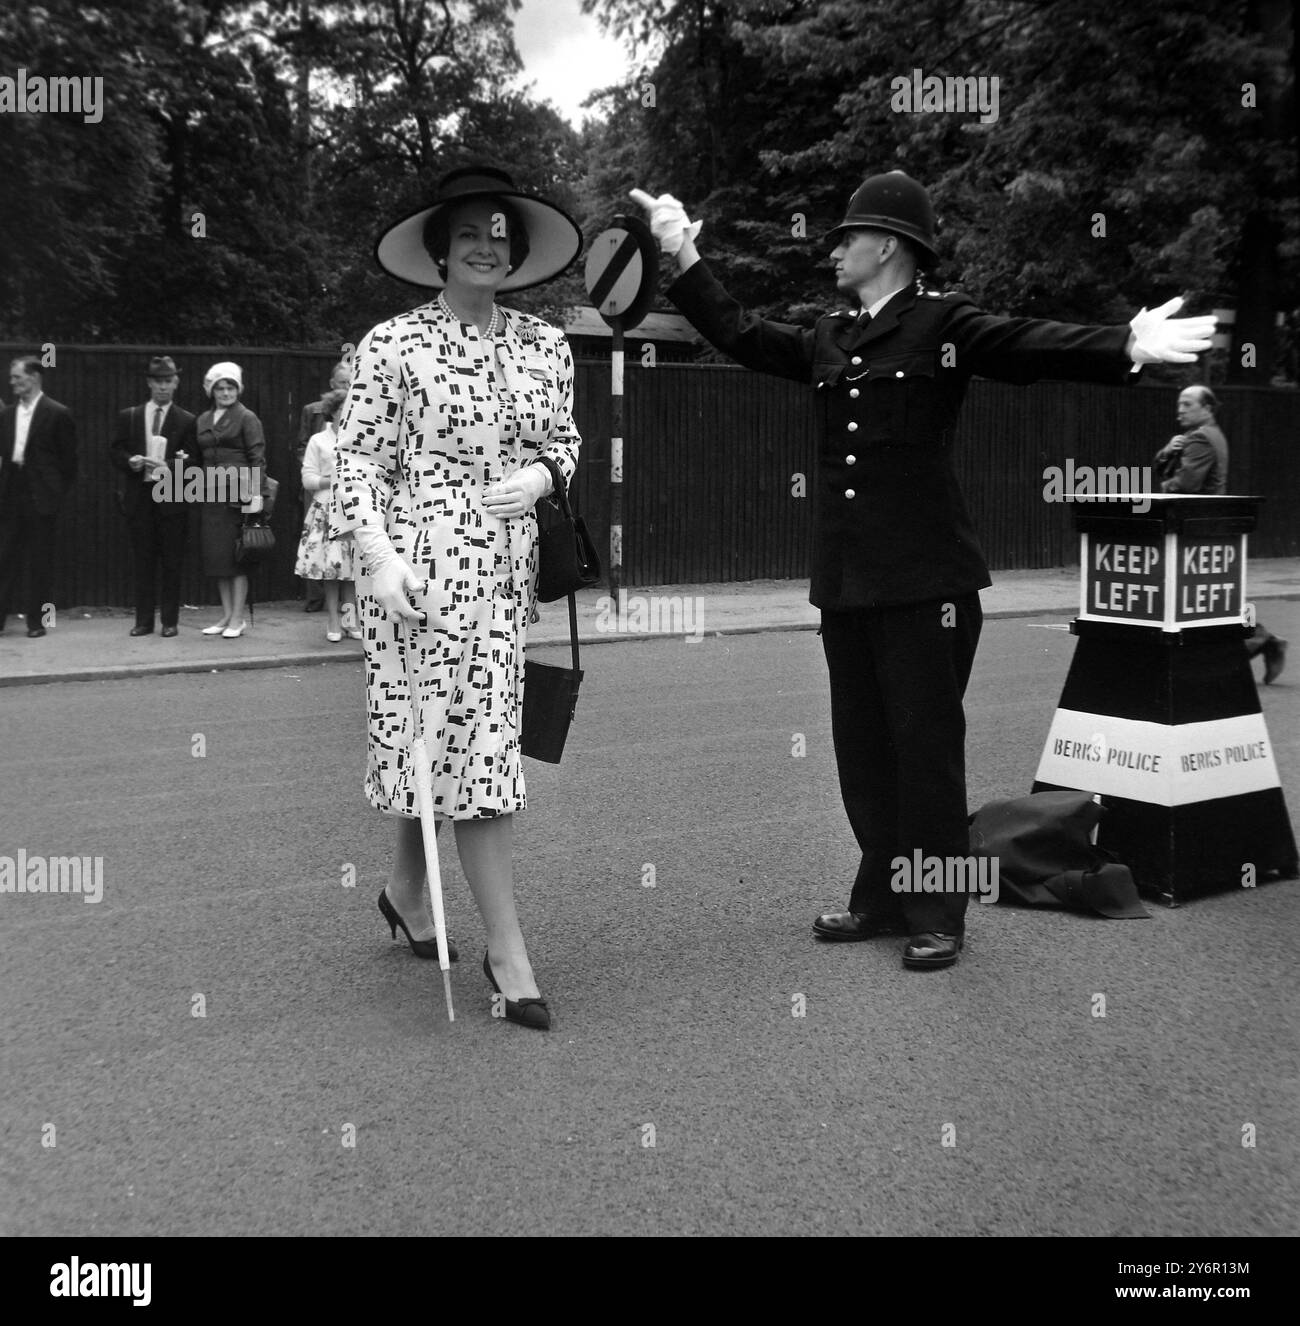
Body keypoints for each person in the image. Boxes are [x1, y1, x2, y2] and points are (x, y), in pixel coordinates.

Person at [639, 172, 1216, 969]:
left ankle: (939, 911)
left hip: (926, 583)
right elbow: (740, 333)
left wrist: (1122, 344)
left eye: (848, 236)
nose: (835, 248)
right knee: (864, 750)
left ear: (888, 246)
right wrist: (684, 251)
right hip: (847, 580)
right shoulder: (830, 332)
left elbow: (1026, 344)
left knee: (927, 753)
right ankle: (879, 898)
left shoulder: (943, 323)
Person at [331, 165, 583, 1030]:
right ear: (440, 249)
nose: (488, 246)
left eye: (501, 233)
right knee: (476, 753)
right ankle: (508, 956)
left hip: (506, 573)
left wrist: (542, 474)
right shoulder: (391, 345)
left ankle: (407, 888)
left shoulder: (548, 346)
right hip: (420, 575)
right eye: (470, 232)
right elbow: (357, 461)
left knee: (441, 736)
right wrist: (378, 556)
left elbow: (569, 442)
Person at [1155, 384, 1286, 682]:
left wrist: (1159, 492)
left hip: (1196, 523)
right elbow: (1168, 469)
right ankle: (1263, 638)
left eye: (1188, 404)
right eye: (1179, 404)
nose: (1181, 409)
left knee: (1205, 592)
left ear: (1208, 408)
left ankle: (1259, 638)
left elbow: (1185, 485)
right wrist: (1167, 451)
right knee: (1210, 592)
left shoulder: (1201, 437)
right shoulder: (1201, 435)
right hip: (1205, 523)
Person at [110, 355, 197, 637]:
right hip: (140, 496)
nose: (162, 387)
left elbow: (195, 462)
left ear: (176, 383)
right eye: (157, 381)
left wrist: (170, 466)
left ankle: (169, 621)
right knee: (143, 561)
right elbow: (115, 451)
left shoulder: (186, 420)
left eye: (168, 381)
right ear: (149, 383)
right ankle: (144, 621)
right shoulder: (131, 416)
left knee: (172, 561)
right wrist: (130, 462)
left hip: (171, 496)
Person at [0, 356, 78, 638]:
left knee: (40, 560)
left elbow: (69, 462)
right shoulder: (7, 414)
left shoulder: (57, 413)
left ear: (33, 378)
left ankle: (37, 622)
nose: (12, 383)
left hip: (41, 494)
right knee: (4, 556)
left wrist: (54, 493)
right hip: (12, 490)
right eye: (12, 378)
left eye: (17, 377)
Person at [195, 361, 265, 638]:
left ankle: (238, 619)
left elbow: (257, 457)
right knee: (217, 559)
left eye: (230, 387)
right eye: (220, 388)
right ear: (211, 391)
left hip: (239, 494)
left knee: (237, 558)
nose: (225, 393)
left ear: (238, 389)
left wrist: (256, 497)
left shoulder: (247, 417)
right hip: (211, 493)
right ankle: (226, 615)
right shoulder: (202, 419)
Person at [295, 387, 359, 642]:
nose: (349, 413)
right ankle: (333, 621)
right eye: (344, 408)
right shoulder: (318, 441)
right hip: (327, 511)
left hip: (354, 510)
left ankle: (349, 621)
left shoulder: (359, 438)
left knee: (353, 572)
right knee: (332, 571)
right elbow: (308, 479)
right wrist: (333, 480)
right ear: (333, 412)